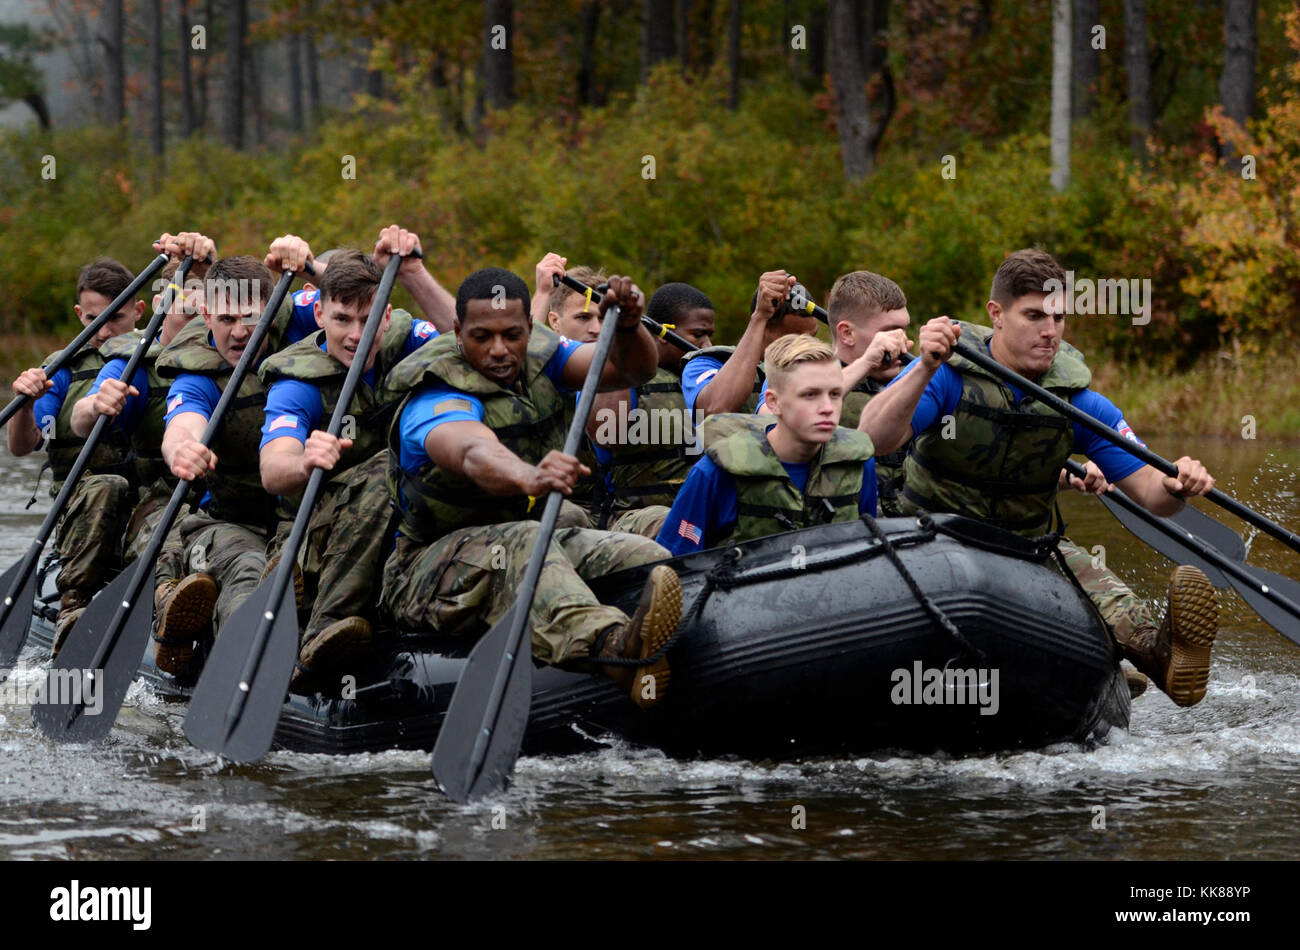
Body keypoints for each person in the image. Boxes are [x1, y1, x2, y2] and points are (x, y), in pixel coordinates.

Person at [859, 248, 1220, 707]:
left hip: (1027, 544)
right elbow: (874, 437)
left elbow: (1152, 495)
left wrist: (1177, 485)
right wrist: (924, 367)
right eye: (1033, 316)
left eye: (1059, 318)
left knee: (1105, 592)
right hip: (933, 538)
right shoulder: (948, 374)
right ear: (997, 315)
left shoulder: (1080, 403)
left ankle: (1157, 653)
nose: (1049, 332)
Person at [381, 269, 682, 709]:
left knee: (649, 557)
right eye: (482, 336)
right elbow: (470, 450)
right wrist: (527, 476)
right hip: (427, 569)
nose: (500, 350)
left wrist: (631, 328)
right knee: (524, 541)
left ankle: (659, 649)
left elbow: (629, 369)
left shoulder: (543, 357)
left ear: (529, 330)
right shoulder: (436, 391)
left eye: (512, 335)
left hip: (527, 540)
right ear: (459, 333)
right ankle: (615, 651)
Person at [257, 229, 440, 694]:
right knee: (386, 469)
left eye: (368, 319)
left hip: (401, 524)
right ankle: (324, 631)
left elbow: (470, 337)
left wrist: (415, 272)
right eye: (341, 320)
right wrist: (304, 462)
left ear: (387, 319)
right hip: (310, 535)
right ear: (318, 314)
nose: (356, 335)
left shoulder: (408, 341)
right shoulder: (297, 381)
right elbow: (273, 469)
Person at [150, 254, 290, 674]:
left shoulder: (307, 331)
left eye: (251, 318)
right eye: (227, 319)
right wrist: (183, 450)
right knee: (252, 567)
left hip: (295, 523)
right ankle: (240, 673)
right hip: (226, 525)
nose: (241, 332)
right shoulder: (196, 378)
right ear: (207, 315)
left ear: (271, 312)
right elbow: (181, 427)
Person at [6, 258, 146, 646]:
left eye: (115, 318)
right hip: (83, 506)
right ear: (78, 315)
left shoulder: (160, 357)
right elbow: (26, 444)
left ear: (139, 310)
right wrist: (24, 404)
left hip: (148, 503)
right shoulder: (63, 370)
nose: (102, 332)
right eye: (91, 320)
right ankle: (73, 603)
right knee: (106, 485)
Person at [657, 335, 878, 556]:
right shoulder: (716, 472)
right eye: (810, 395)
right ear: (773, 402)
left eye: (835, 394)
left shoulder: (858, 463)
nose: (828, 408)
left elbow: (868, 551)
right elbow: (677, 566)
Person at [590, 281, 716, 537]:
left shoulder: (705, 378)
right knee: (678, 523)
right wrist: (621, 335)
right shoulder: (624, 378)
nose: (707, 345)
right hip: (635, 521)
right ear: (662, 332)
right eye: (698, 334)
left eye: (709, 335)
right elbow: (607, 436)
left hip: (697, 511)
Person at [680, 269, 817, 422]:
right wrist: (760, 316)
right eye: (793, 340)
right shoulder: (708, 363)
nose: (806, 347)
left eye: (812, 337)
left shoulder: (819, 368)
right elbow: (716, 410)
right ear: (764, 328)